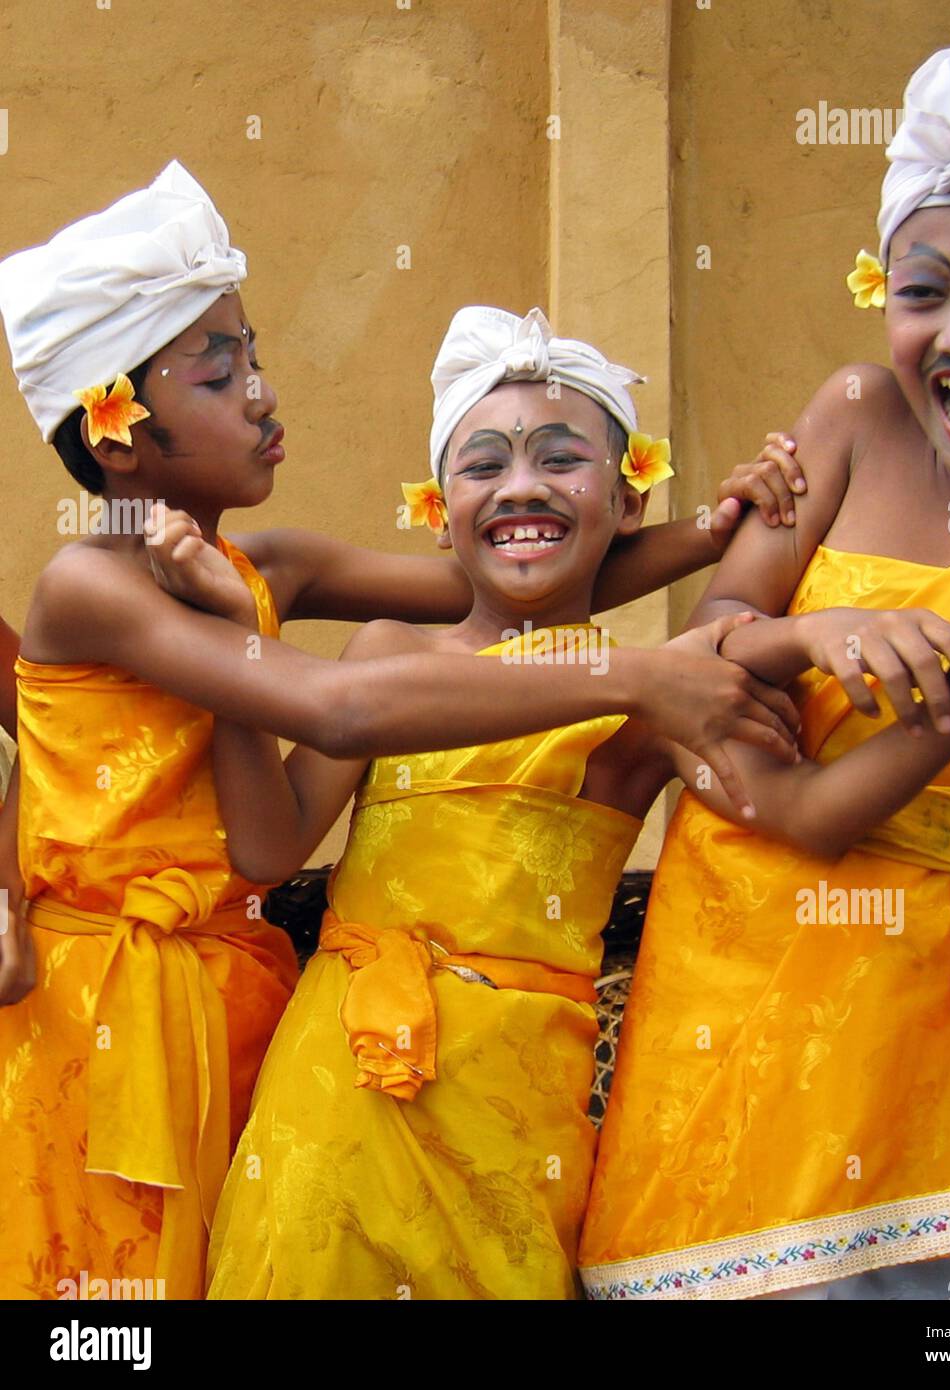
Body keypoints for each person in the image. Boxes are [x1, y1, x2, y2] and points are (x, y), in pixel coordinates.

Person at [147, 302, 950, 1300]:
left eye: (560, 458)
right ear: (437, 506)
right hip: (330, 1110)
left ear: (627, 502)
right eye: (483, 463)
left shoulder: (650, 695)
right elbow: (271, 846)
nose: (522, 486)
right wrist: (234, 667)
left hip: (515, 1129)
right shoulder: (388, 651)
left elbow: (810, 813)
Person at [0, 169, 802, 1300]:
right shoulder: (93, 587)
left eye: (256, 356)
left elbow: (499, 560)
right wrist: (640, 671)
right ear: (118, 438)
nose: (267, 396)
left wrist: (716, 531)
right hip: (106, 1009)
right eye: (223, 375)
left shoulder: (272, 567)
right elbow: (334, 710)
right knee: (99, 1290)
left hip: (228, 982)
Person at [579, 47, 950, 1300]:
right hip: (732, 1005)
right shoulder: (856, 416)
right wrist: (813, 636)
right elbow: (706, 645)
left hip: (949, 1047)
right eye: (921, 289)